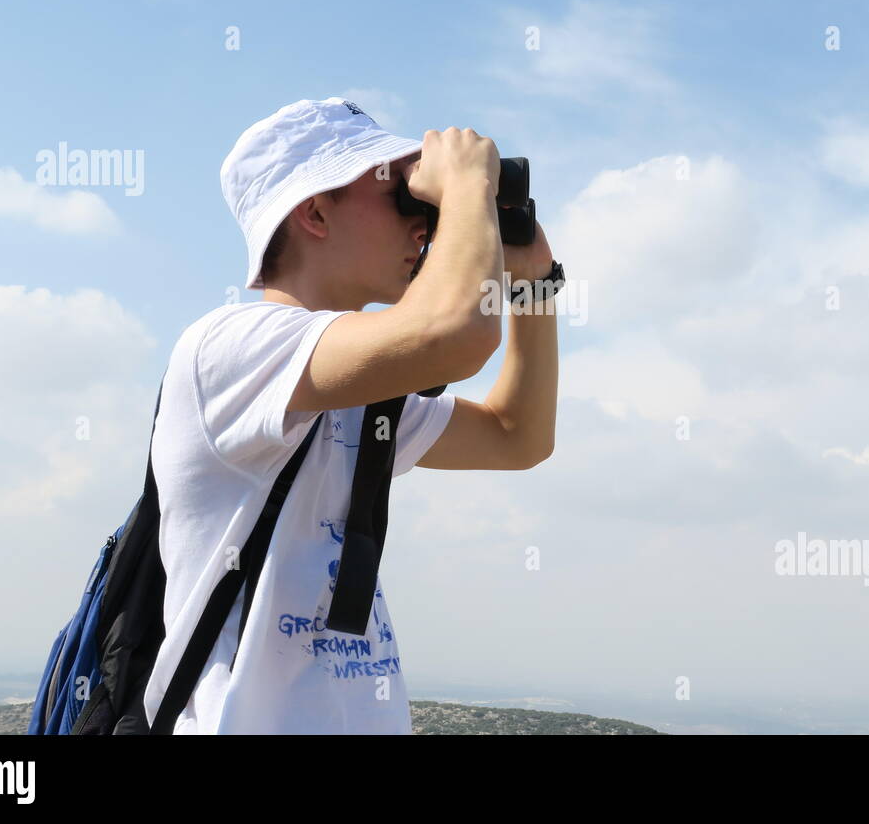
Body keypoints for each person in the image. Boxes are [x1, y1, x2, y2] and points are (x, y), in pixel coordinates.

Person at [139, 97, 559, 733]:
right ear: (313, 212)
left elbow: (516, 436)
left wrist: (532, 286)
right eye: (403, 198)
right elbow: (453, 334)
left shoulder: (358, 391)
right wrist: (469, 187)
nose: (423, 225)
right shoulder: (229, 346)